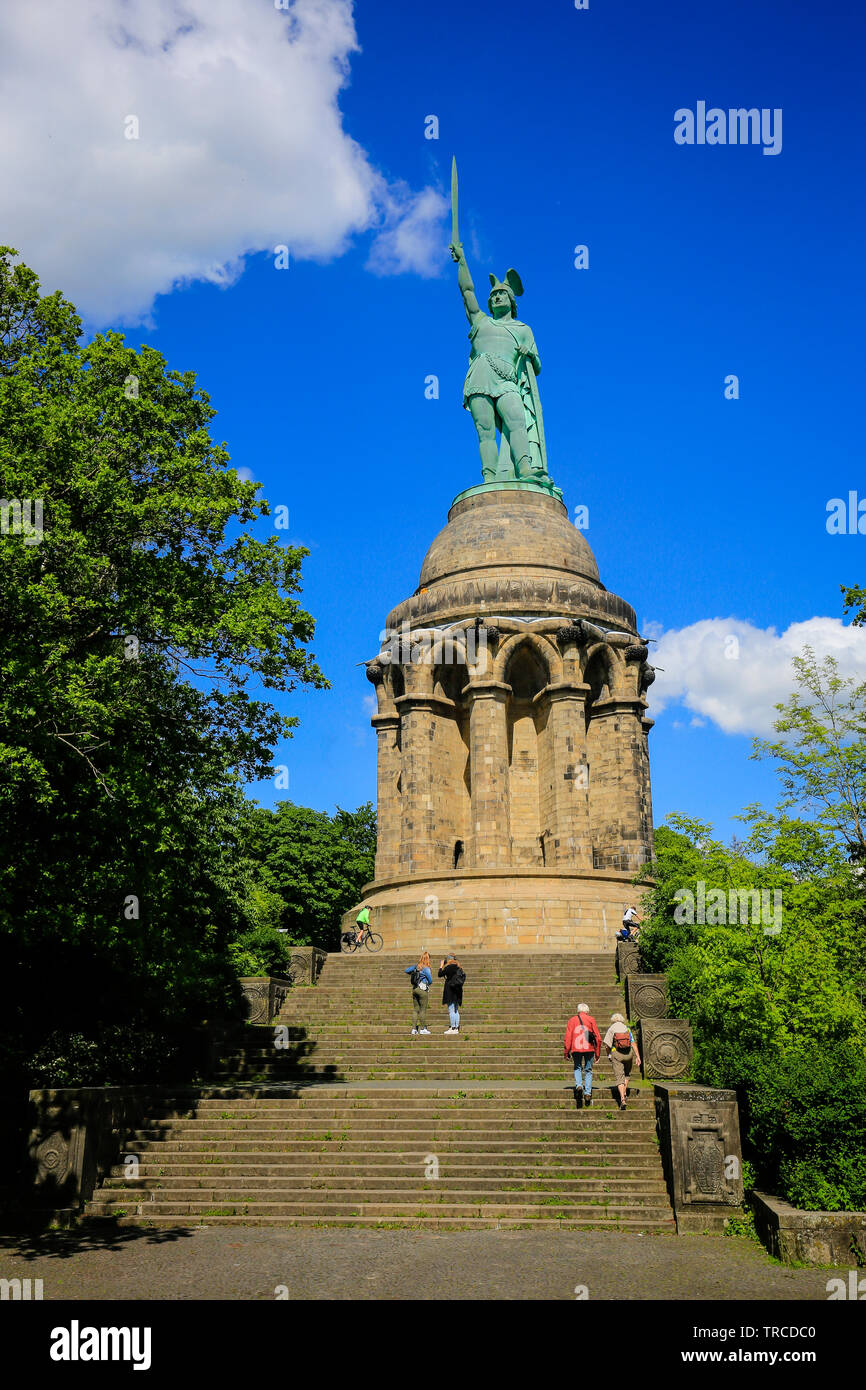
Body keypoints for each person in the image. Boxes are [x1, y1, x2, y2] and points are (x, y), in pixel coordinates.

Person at [563, 1002, 601, 1108]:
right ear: (587, 1011)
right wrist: (597, 1053)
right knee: (588, 1070)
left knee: (577, 1067)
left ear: (578, 1011)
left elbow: (568, 1037)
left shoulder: (572, 1020)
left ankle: (579, 1085)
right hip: (589, 1048)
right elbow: (598, 1037)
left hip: (576, 1048)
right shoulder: (591, 1019)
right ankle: (588, 1093)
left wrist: (566, 1051)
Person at [603, 1012, 642, 1110]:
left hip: (617, 1054)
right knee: (627, 1074)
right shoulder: (627, 1028)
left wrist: (609, 1054)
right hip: (629, 1054)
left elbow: (607, 1045)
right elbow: (633, 1043)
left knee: (619, 1076)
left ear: (613, 1020)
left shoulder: (611, 1029)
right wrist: (638, 1057)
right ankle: (624, 1091)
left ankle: (622, 1099)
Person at [405, 951, 433, 1035]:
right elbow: (430, 980)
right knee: (423, 1010)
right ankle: (423, 1029)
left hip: (414, 989)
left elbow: (406, 970)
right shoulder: (426, 968)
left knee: (415, 1009)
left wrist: (415, 968)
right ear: (428, 959)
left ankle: (413, 1029)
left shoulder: (417, 967)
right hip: (422, 990)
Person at [438, 955, 465, 1034]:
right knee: (456, 1010)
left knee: (451, 1010)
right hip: (458, 991)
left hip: (450, 990)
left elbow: (440, 974)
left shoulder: (449, 967)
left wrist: (441, 966)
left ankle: (452, 1028)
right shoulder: (459, 967)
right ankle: (456, 1028)